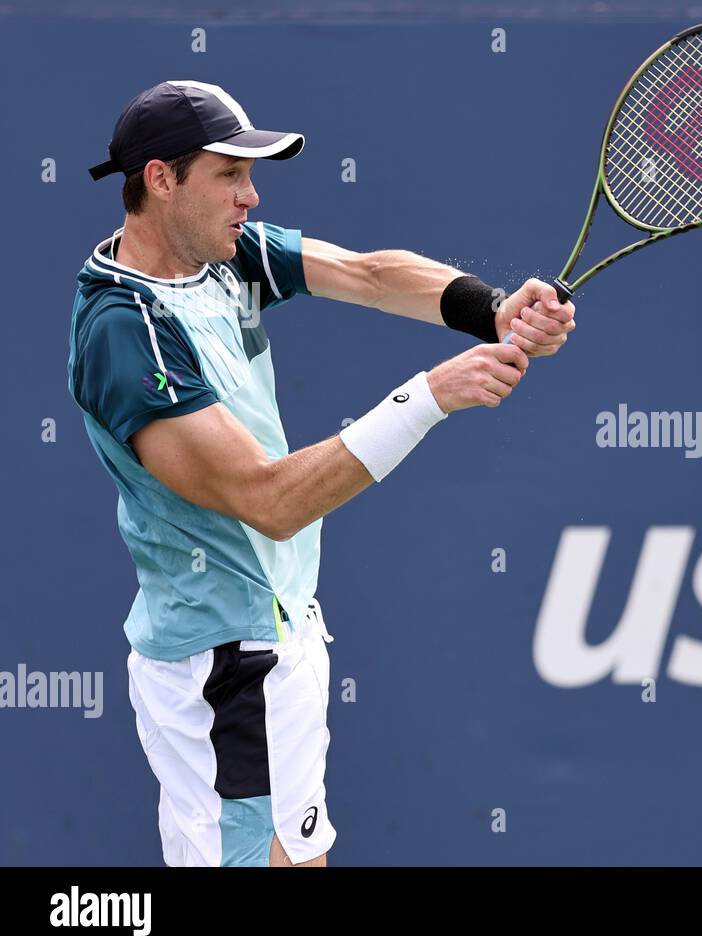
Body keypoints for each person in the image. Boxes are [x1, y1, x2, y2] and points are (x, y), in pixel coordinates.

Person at [68, 80, 576, 867]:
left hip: (280, 639)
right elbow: (268, 500)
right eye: (229, 174)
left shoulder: (225, 259)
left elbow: (372, 274)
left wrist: (496, 309)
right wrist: (431, 395)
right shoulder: (125, 333)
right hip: (225, 666)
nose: (251, 194)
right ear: (162, 179)